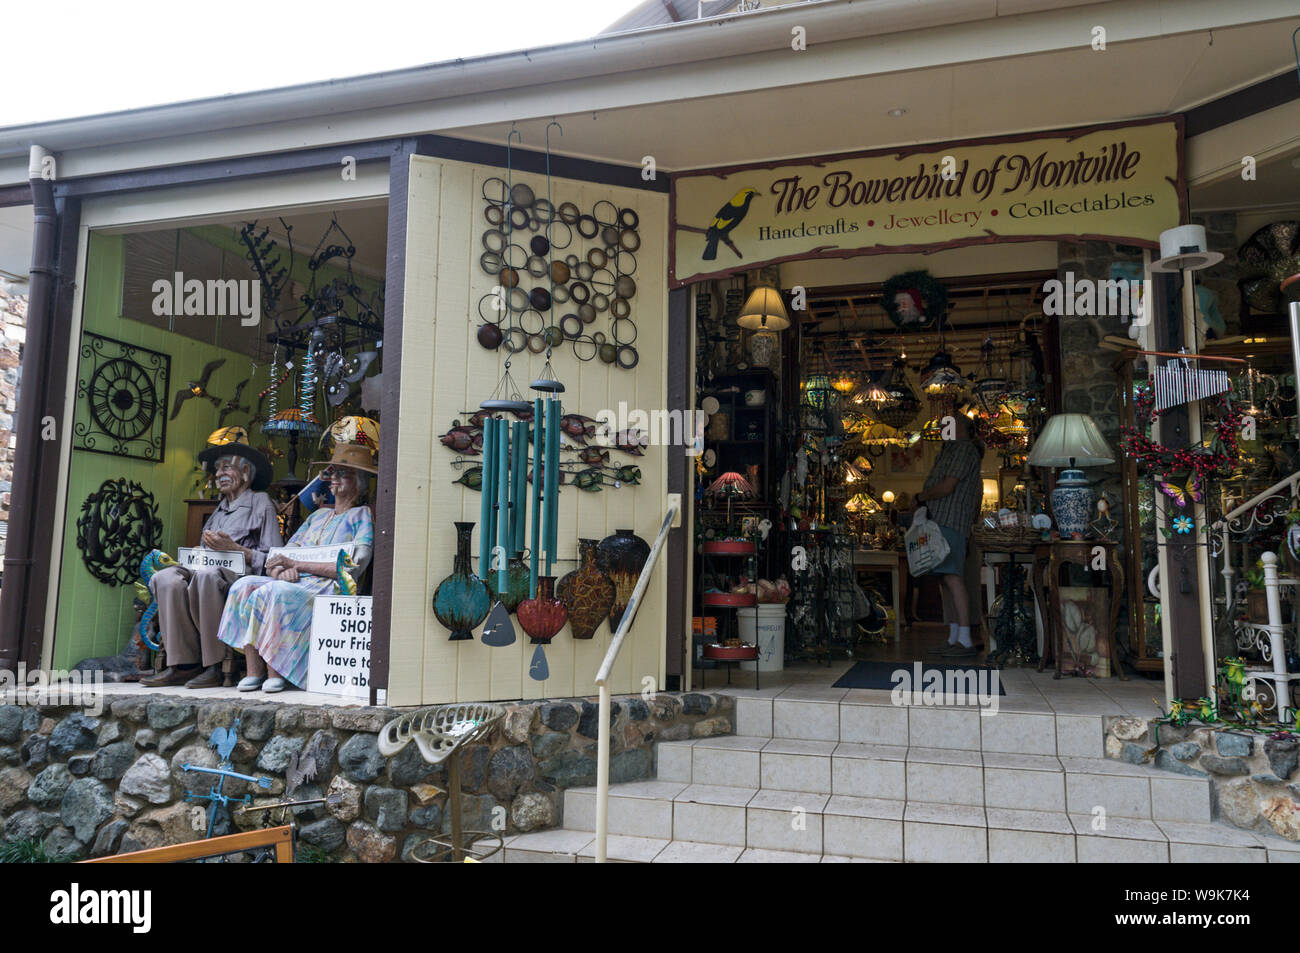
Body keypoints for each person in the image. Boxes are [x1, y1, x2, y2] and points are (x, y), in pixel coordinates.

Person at [216, 443, 376, 692]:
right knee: (243, 586)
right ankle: (253, 671)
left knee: (275, 592)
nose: (334, 478)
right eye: (332, 472)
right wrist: (281, 570)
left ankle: (276, 671)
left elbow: (354, 566)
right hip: (296, 580)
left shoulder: (361, 515)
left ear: (360, 482)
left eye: (343, 473)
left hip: (328, 587)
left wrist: (297, 565)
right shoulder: (317, 516)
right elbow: (282, 556)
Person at [141, 442, 282, 688]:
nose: (218, 474)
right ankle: (184, 664)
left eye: (226, 467)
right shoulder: (220, 508)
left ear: (245, 473)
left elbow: (274, 557)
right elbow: (204, 553)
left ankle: (214, 665)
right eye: (217, 469)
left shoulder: (261, 503)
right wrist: (198, 553)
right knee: (166, 578)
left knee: (206, 576)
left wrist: (237, 550)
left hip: (239, 574)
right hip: (207, 567)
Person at [914, 413, 984, 656]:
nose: (944, 428)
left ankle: (965, 639)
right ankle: (954, 636)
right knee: (945, 578)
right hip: (939, 521)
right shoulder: (948, 450)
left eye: (950, 424)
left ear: (963, 428)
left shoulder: (964, 449)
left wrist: (920, 497)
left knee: (953, 577)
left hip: (951, 521)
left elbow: (947, 486)